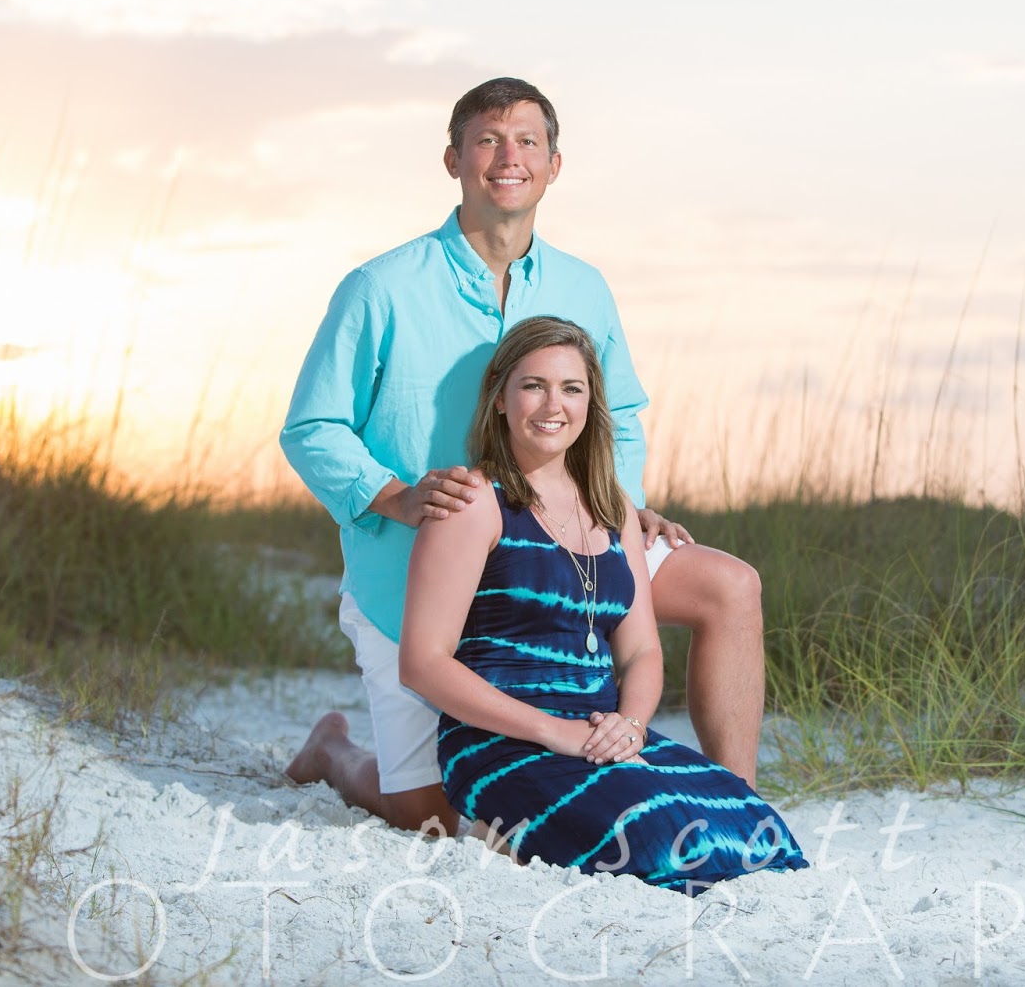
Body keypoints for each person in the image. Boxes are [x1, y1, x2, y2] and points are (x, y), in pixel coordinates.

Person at [281, 77, 765, 836]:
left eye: (528, 141)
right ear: (454, 158)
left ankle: (737, 797)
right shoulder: (379, 288)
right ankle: (333, 750)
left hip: (567, 553)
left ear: (554, 164)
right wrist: (394, 496)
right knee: (429, 817)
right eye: (488, 140)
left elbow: (623, 410)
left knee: (730, 587)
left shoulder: (584, 287)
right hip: (419, 575)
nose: (510, 158)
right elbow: (313, 427)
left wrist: (618, 508)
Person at [399, 316, 806, 889]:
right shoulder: (474, 502)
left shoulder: (613, 508)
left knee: (760, 834)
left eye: (572, 388)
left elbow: (640, 649)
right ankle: (503, 826)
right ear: (498, 398)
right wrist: (552, 731)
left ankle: (521, 836)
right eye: (532, 385)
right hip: (501, 742)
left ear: (591, 403)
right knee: (661, 843)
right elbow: (423, 662)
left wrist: (632, 725)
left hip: (599, 732)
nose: (552, 404)